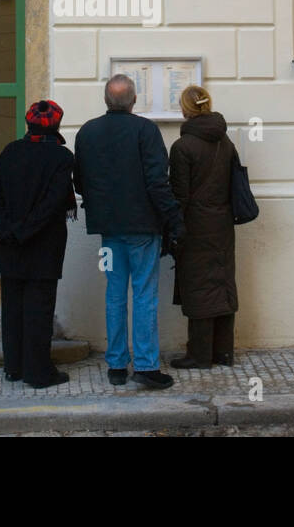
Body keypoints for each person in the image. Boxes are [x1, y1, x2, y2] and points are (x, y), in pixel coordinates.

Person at [74, 74, 186, 389]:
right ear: (134, 100)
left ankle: (117, 364)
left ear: (106, 101)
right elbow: (157, 181)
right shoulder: (145, 131)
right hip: (142, 226)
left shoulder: (88, 131)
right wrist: (174, 219)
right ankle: (147, 365)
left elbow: (80, 181)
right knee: (145, 294)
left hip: (108, 229)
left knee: (114, 293)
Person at [0, 99, 76, 388]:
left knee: (12, 309)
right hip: (42, 246)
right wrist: (25, 231)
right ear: (57, 125)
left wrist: (7, 229)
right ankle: (38, 372)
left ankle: (13, 367)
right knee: (39, 309)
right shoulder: (62, 158)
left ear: (29, 124)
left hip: (9, 243)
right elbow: (53, 203)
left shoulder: (11, 150)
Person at [167, 84, 238, 369]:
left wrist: (174, 230)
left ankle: (199, 355)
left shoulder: (183, 146)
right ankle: (223, 352)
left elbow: (179, 195)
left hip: (195, 225)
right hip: (222, 222)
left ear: (185, 109)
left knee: (198, 286)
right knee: (221, 282)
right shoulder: (226, 141)